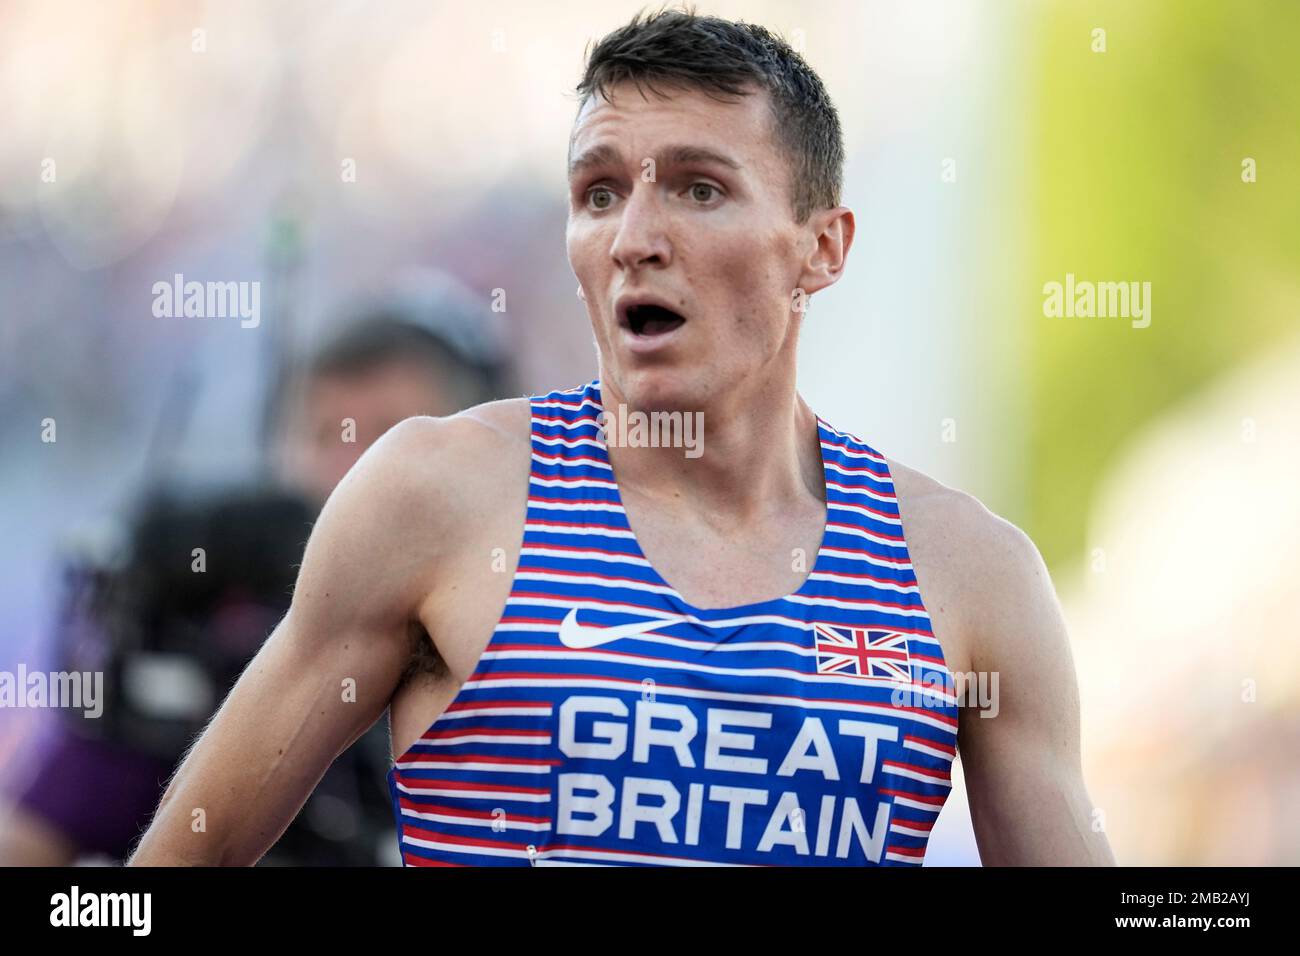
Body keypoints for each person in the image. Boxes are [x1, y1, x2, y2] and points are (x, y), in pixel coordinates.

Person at [130, 8, 1115, 867]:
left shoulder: (970, 573)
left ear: (821, 247)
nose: (632, 236)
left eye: (697, 188)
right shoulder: (435, 495)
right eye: (599, 191)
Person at [0, 288, 505, 866]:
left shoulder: (549, 636)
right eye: (324, 434)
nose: (353, 471)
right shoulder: (205, 647)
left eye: (390, 436)